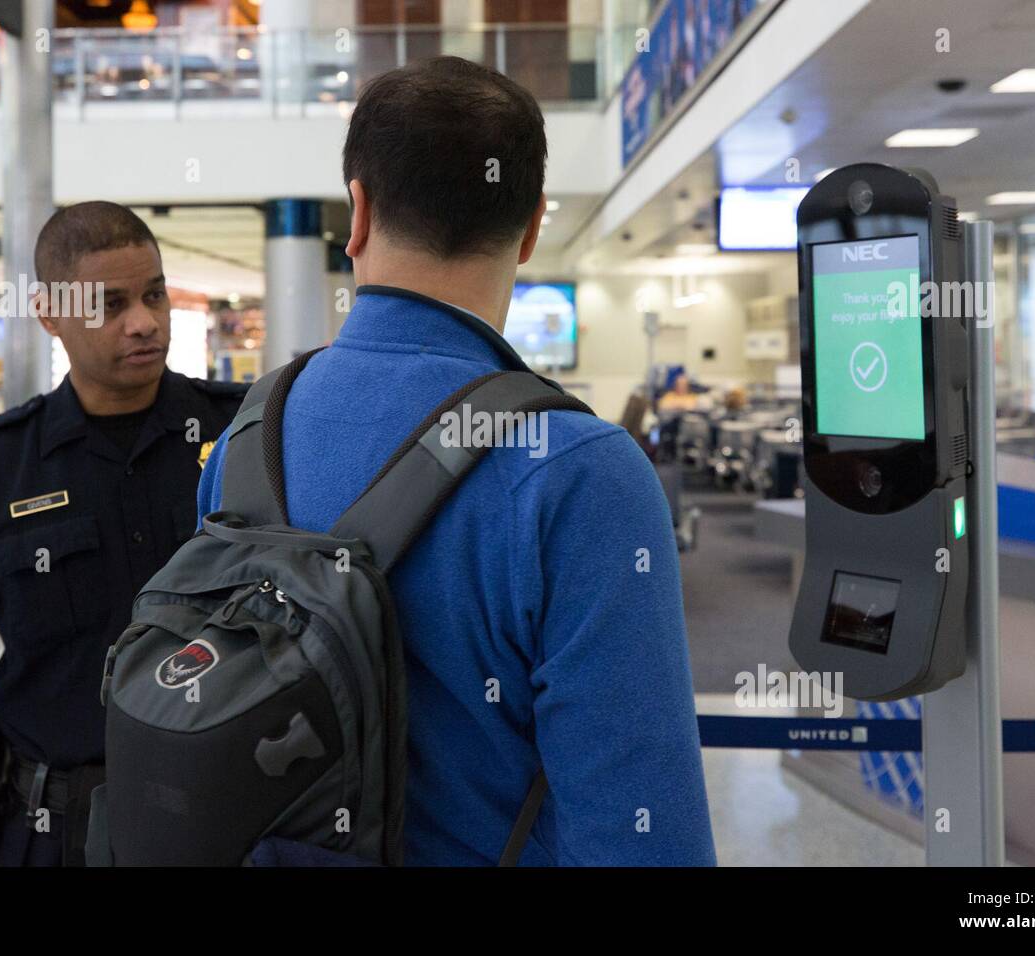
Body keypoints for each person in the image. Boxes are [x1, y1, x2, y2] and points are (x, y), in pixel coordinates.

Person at [199, 57, 715, 865]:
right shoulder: (582, 472)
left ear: (358, 212)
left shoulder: (247, 436)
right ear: (534, 224)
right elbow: (645, 833)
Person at [0, 201, 247, 866]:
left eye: (154, 294)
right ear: (49, 314)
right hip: (55, 835)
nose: (145, 322)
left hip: (234, 824)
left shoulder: (245, 436)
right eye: (109, 303)